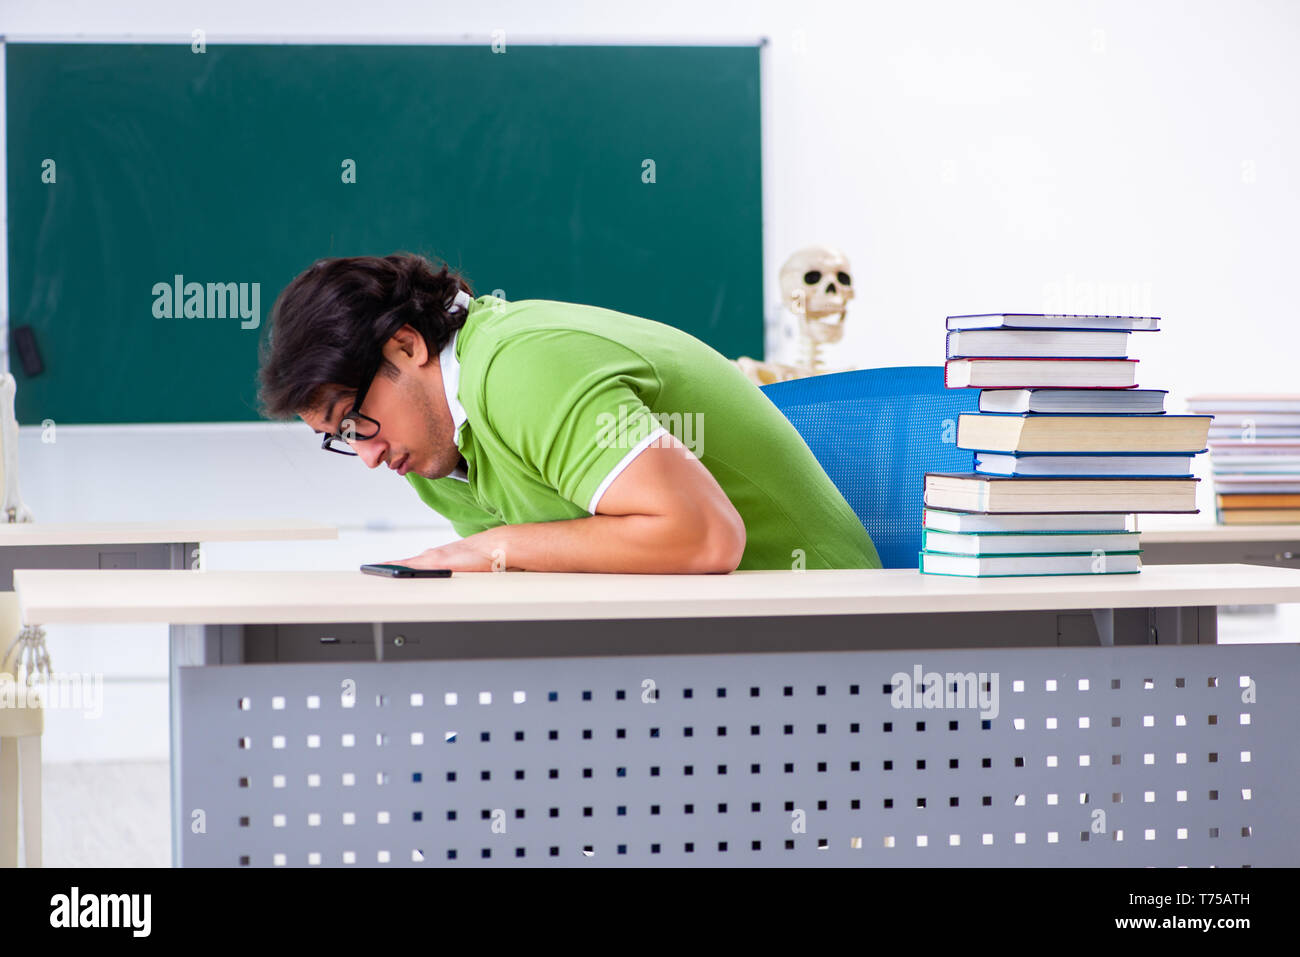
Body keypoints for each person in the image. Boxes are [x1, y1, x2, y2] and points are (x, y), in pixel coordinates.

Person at [257, 252, 881, 573]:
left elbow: (706, 536)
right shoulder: (436, 450)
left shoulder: (520, 369)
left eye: (353, 419)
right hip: (696, 649)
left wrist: (494, 548)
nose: (367, 454)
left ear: (406, 345)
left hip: (821, 637)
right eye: (340, 438)